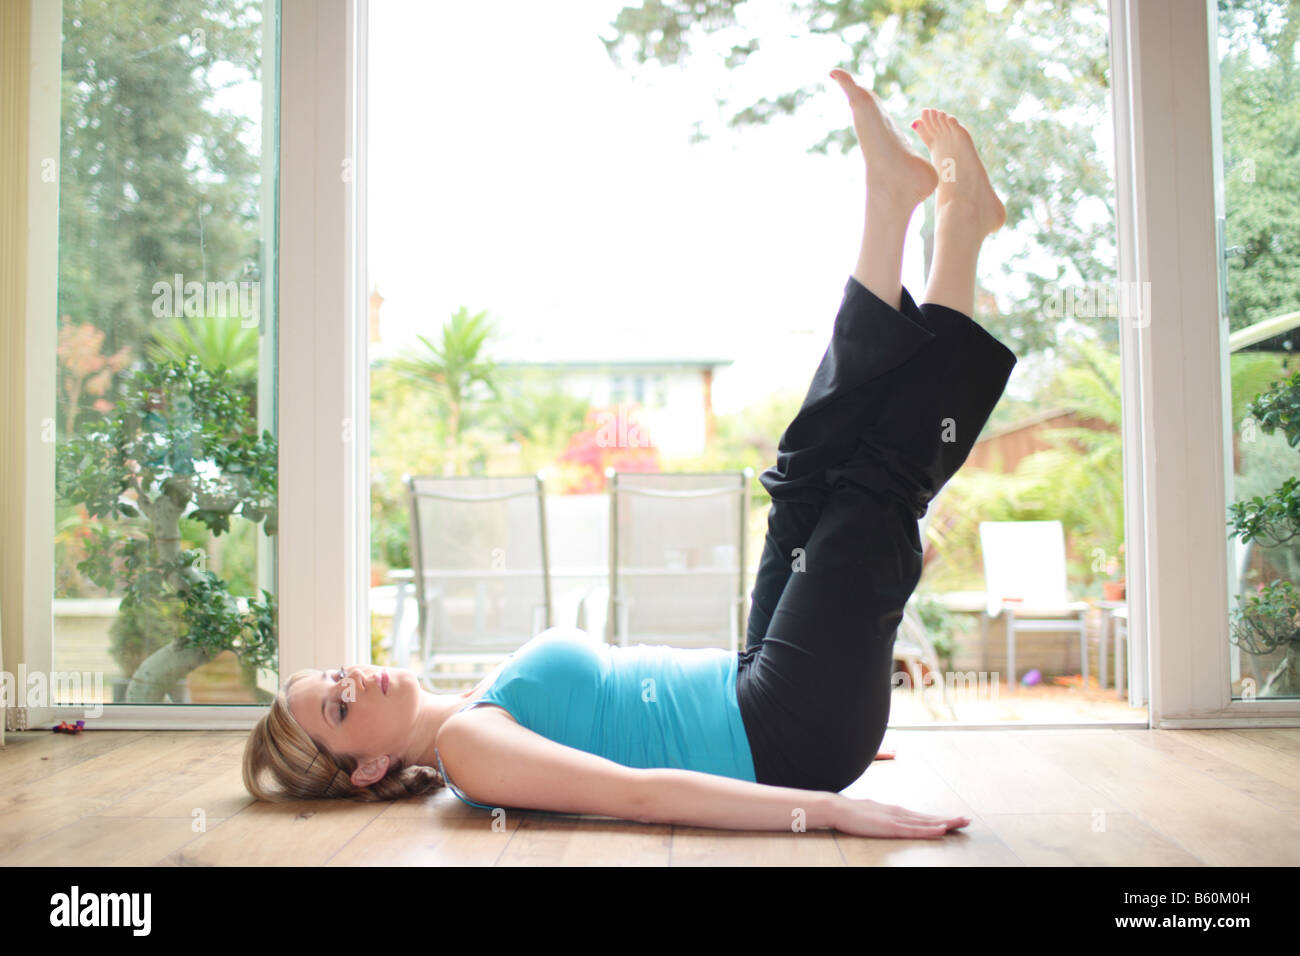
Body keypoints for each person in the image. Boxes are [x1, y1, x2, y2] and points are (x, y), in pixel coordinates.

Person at [243, 68, 1015, 840]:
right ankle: (961, 226)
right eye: (338, 707)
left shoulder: (476, 703)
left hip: (766, 688)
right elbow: (640, 794)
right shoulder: (467, 750)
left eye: (335, 674)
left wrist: (832, 699)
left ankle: (892, 200)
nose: (354, 681)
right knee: (875, 489)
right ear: (368, 770)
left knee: (806, 475)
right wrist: (827, 807)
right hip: (780, 726)